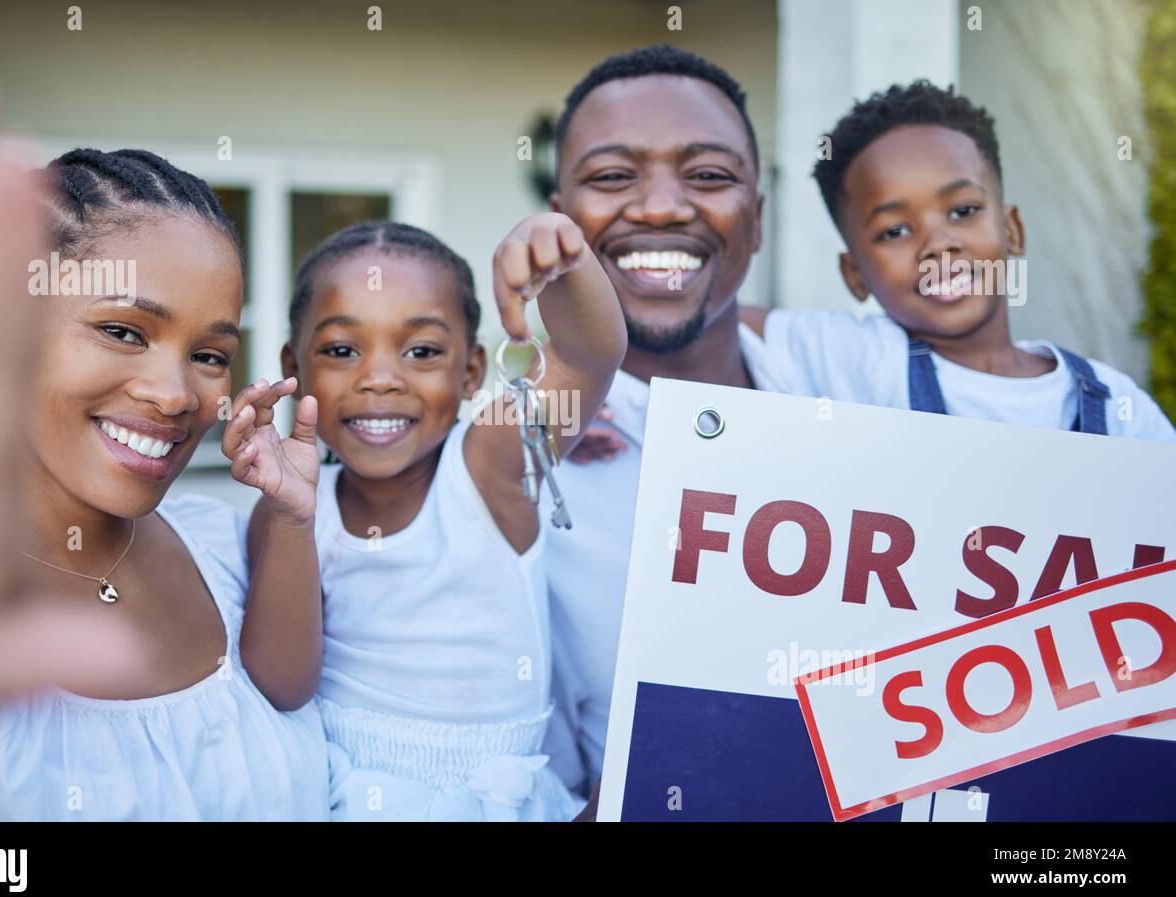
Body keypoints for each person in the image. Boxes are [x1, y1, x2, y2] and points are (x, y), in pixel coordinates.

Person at [0, 58, 331, 817]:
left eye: (210, 354)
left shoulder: (223, 548)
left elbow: (291, 691)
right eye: (123, 330)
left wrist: (291, 520)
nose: (175, 392)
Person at [234, 218, 626, 820]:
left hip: (494, 801)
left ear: (471, 373)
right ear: (296, 365)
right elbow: (283, 685)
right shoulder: (287, 508)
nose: (381, 378)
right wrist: (291, 519)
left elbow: (588, 353)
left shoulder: (489, 467)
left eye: (421, 351)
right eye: (341, 350)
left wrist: (562, 254)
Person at [541, 44, 783, 803]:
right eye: (613, 176)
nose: (660, 208)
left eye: (708, 175)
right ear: (560, 224)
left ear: (758, 220)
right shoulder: (509, 467)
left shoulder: (856, 392)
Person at [738, 80, 1175, 442]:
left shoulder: (1118, 407)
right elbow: (713, 319)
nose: (938, 245)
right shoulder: (856, 359)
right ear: (855, 275)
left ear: (1013, 231)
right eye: (895, 231)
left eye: (963, 211)